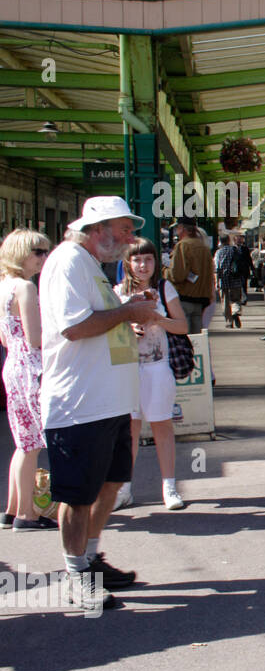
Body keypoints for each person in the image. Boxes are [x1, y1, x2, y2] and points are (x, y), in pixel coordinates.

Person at [41, 196, 162, 612]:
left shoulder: (89, 264)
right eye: (125, 229)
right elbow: (73, 328)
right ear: (99, 229)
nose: (131, 239)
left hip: (108, 403)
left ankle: (90, 558)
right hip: (80, 403)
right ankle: (76, 575)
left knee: (109, 484)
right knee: (78, 495)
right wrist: (128, 310)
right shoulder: (68, 261)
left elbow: (95, 322)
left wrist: (126, 318)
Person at [114, 238, 188, 511]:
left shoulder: (164, 288)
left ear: (156, 263)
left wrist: (158, 319)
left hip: (158, 366)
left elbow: (183, 326)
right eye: (136, 260)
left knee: (162, 427)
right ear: (127, 263)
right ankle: (124, 489)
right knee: (129, 431)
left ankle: (169, 486)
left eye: (147, 259)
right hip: (128, 368)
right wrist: (127, 328)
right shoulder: (118, 292)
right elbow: (110, 331)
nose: (142, 265)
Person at [0, 228, 56, 530]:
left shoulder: (4, 285)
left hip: (13, 366)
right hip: (33, 369)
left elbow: (6, 340)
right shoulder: (25, 287)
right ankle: (27, 514)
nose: (43, 258)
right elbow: (35, 339)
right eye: (38, 252)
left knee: (23, 442)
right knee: (32, 443)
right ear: (21, 253)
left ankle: (11, 509)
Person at [165, 221, 214, 333]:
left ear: (182, 228)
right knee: (197, 340)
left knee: (184, 337)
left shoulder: (183, 246)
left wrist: (165, 271)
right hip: (201, 300)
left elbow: (177, 275)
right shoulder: (204, 248)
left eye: (177, 228)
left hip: (185, 298)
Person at [213, 233, 246, 328]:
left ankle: (229, 321)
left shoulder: (218, 253)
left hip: (223, 280)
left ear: (220, 242)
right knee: (236, 299)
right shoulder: (235, 249)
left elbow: (216, 268)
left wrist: (217, 282)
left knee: (225, 301)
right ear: (228, 240)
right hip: (235, 278)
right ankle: (236, 311)